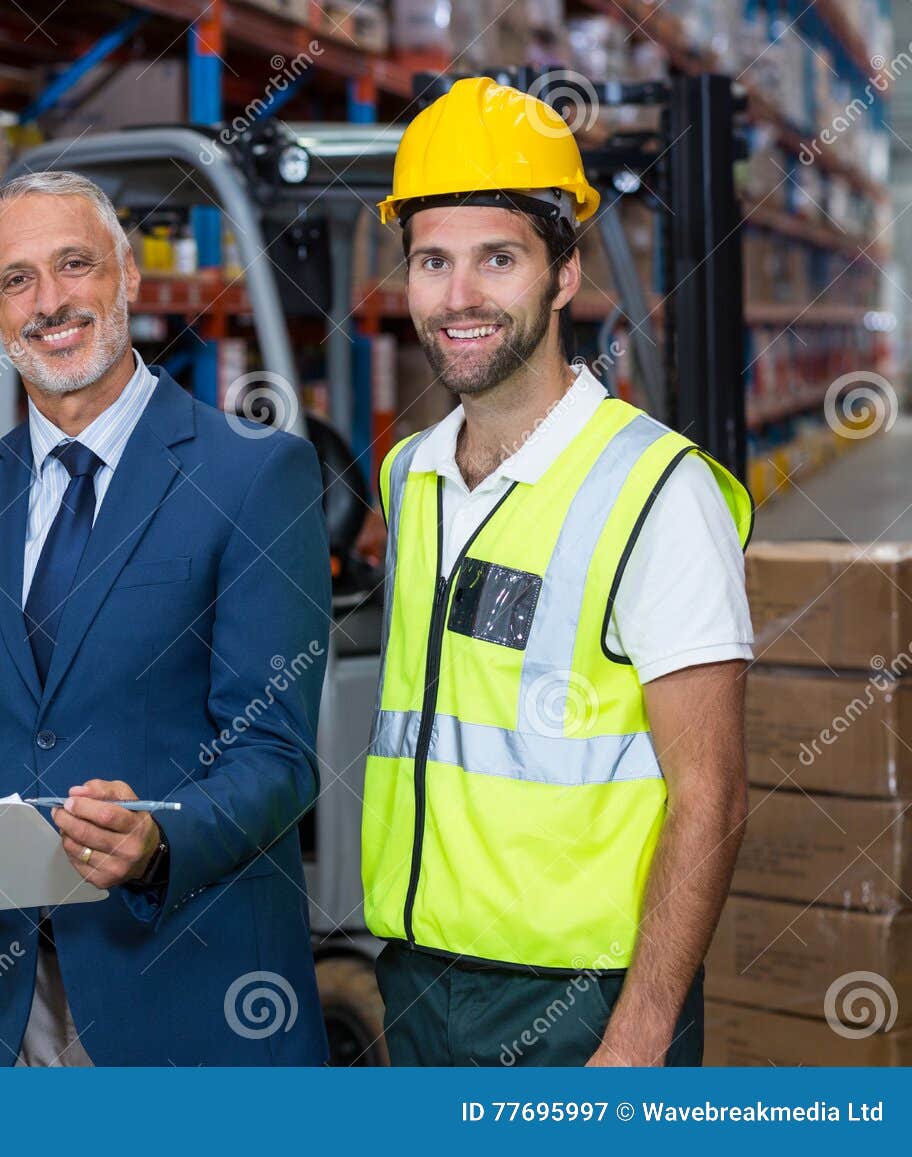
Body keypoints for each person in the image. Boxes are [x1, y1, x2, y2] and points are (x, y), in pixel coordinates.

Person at [0, 171, 331, 1066]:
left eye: (75, 264)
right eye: (17, 280)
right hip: (9, 1012)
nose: (50, 301)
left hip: (197, 999)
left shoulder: (252, 475)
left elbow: (277, 755)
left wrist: (159, 839)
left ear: (128, 276)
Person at [362, 78, 753, 1066]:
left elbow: (710, 792)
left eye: (496, 258)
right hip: (416, 977)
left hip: (584, 1006)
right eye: (431, 262)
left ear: (563, 272)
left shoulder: (657, 491)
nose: (458, 297)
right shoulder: (408, 477)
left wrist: (640, 1028)